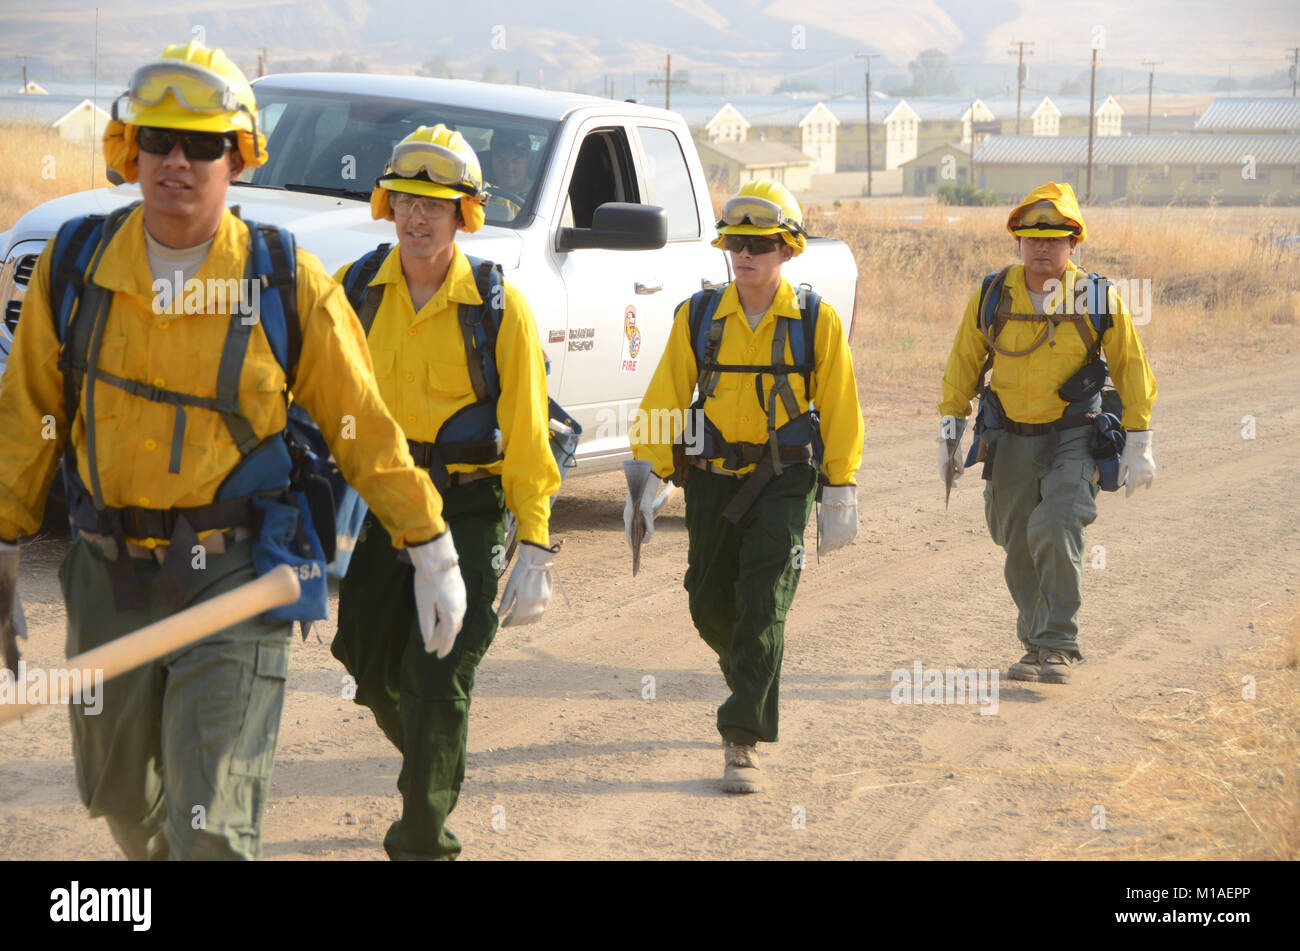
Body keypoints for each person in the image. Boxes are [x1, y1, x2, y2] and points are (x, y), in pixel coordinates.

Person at [0, 42, 466, 860]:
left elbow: (362, 425)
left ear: (239, 157)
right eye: (158, 140)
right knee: (117, 798)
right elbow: (27, 415)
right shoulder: (72, 268)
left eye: (203, 143)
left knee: (211, 824)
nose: (177, 160)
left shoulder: (287, 281)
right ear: (130, 150)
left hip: (240, 578)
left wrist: (430, 545)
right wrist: (3, 550)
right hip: (108, 573)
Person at [331, 124, 560, 859]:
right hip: (385, 509)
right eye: (405, 200)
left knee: (437, 678)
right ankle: (435, 750)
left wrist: (535, 541)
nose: (418, 217)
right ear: (386, 204)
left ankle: (424, 837)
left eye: (436, 203)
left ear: (466, 212)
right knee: (365, 661)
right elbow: (312, 405)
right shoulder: (354, 290)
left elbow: (527, 430)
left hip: (467, 511)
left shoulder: (499, 307)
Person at [626, 180, 863, 794]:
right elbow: (665, 398)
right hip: (710, 482)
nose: (746, 254)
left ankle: (742, 738)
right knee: (708, 605)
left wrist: (840, 486)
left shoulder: (816, 322)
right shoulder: (700, 317)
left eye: (760, 243)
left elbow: (839, 407)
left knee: (763, 604)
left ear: (787, 249)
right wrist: (648, 477)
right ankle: (752, 675)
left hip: (785, 484)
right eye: (736, 242)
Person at [938, 181, 1157, 685]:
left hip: (1073, 436)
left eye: (1054, 237)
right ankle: (1034, 644)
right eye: (1032, 236)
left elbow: (1131, 370)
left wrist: (1140, 443)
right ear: (1017, 240)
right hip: (1008, 437)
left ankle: (1057, 644)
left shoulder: (1098, 297)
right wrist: (949, 432)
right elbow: (962, 367)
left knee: (1055, 526)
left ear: (1073, 244)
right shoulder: (993, 295)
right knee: (1016, 539)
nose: (1041, 246)